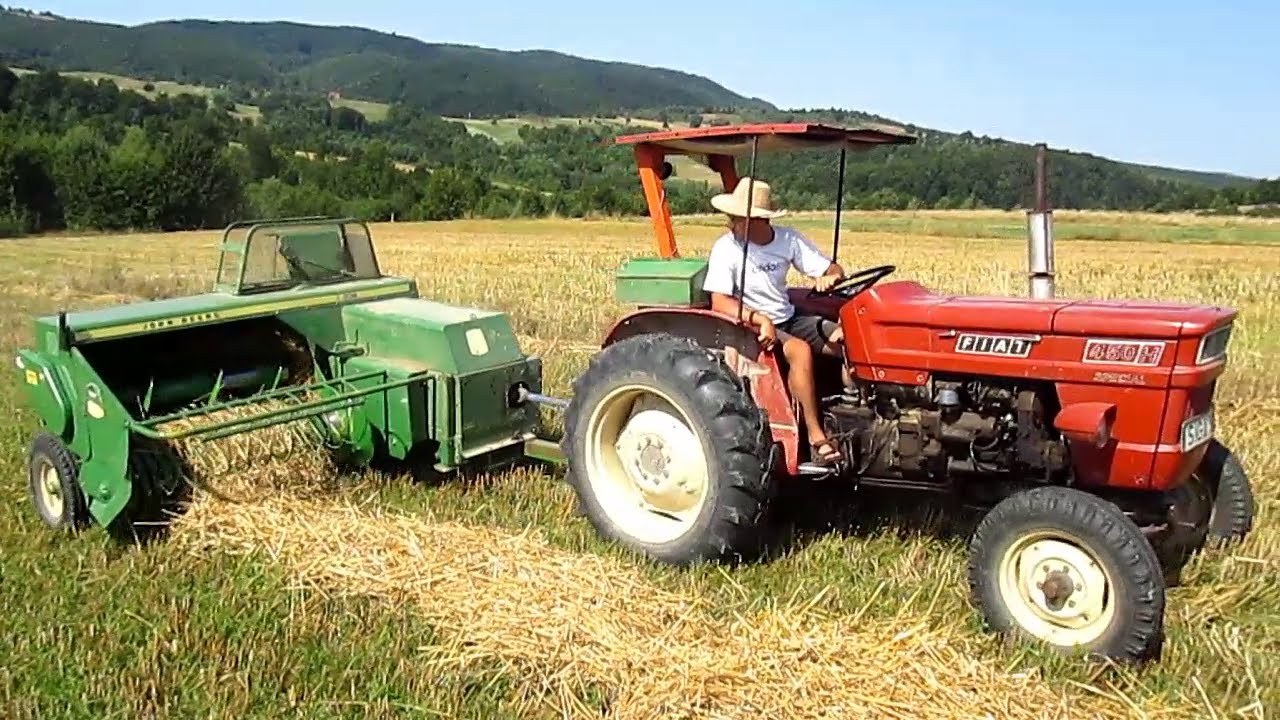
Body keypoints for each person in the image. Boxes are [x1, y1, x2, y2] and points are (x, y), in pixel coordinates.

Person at [701, 176, 847, 465]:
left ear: (758, 220)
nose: (730, 223)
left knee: (849, 339)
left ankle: (856, 412)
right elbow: (720, 300)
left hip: (788, 316)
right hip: (752, 325)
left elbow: (832, 268)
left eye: (736, 218)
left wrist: (830, 277)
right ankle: (816, 437)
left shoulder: (787, 239)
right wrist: (760, 318)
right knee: (800, 350)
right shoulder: (726, 248)